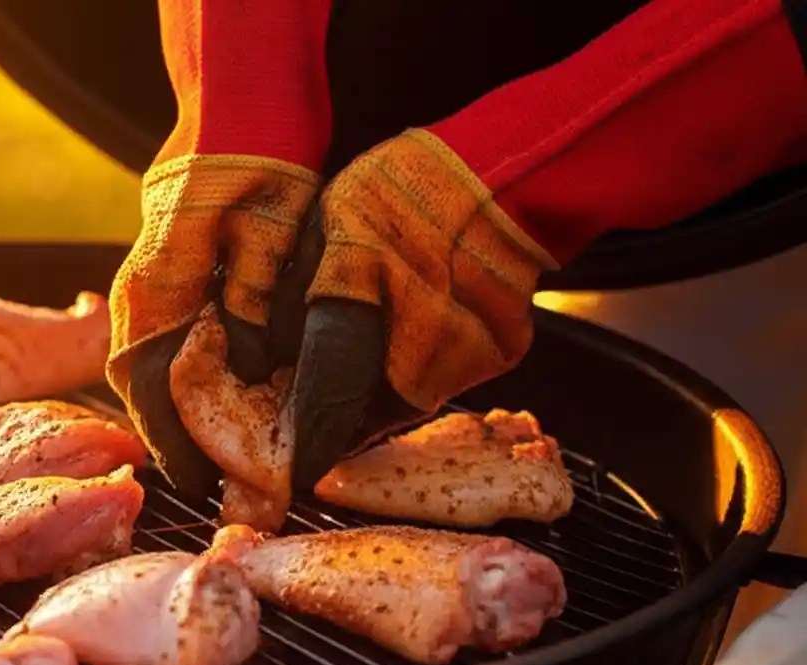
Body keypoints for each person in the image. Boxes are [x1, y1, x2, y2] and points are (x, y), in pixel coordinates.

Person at [105, 0, 807, 500]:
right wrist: (239, 98)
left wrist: (539, 168)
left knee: (742, 544)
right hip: (390, 109)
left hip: (758, 239)